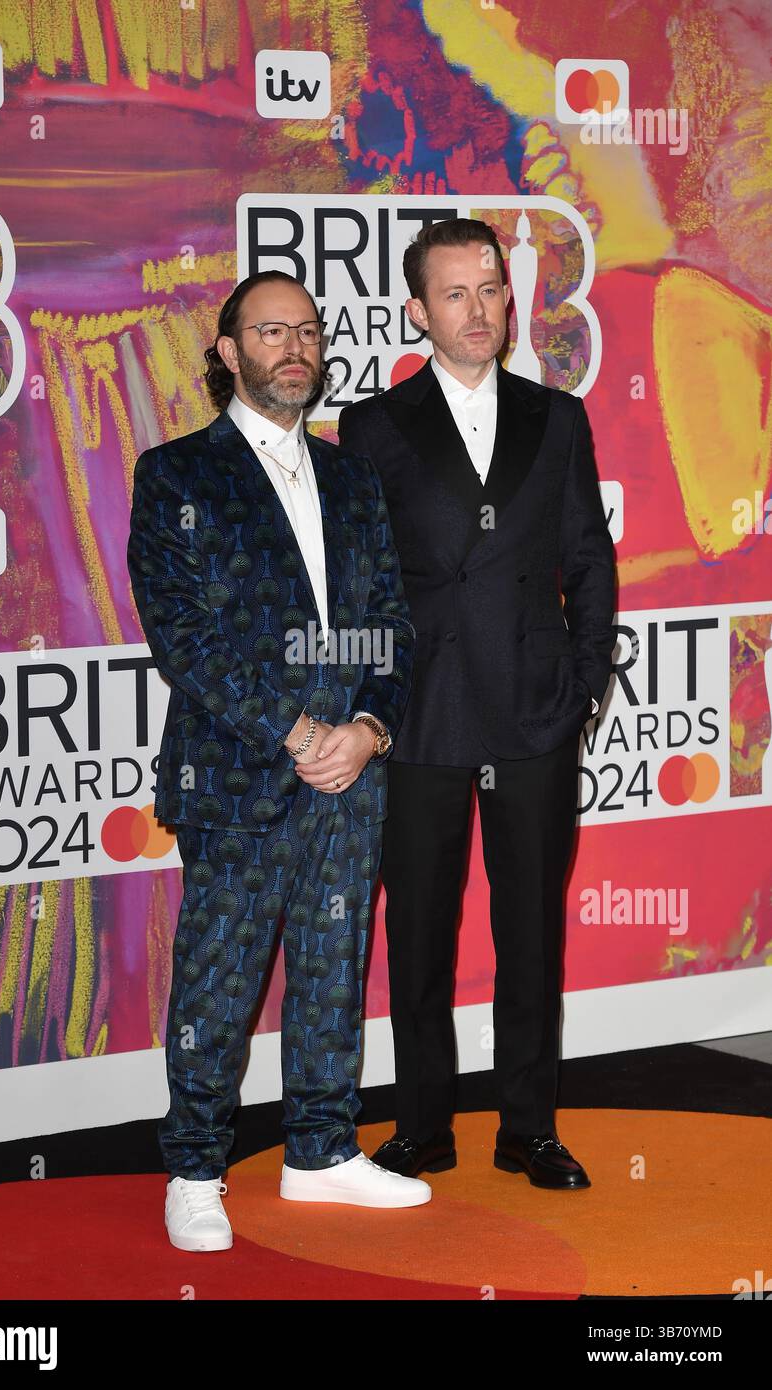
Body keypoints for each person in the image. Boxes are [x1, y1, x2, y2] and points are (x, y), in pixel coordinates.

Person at [127, 269, 429, 1252]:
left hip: (350, 775)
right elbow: (186, 643)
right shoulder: (176, 475)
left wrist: (368, 731)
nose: (291, 348)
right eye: (268, 332)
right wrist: (298, 733)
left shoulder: (351, 478)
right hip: (238, 775)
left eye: (305, 331)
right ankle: (193, 1166)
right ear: (227, 353)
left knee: (333, 968)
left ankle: (320, 1150)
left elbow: (388, 623)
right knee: (218, 981)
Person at [338, 218, 617, 1190]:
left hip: (532, 709)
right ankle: (422, 1125)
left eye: (490, 288)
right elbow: (358, 581)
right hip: (416, 715)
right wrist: (367, 701)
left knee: (529, 926)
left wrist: (581, 681)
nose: (478, 310)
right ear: (415, 311)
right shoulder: (373, 426)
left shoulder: (558, 416)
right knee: (417, 925)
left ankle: (527, 1126)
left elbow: (586, 558)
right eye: (453, 293)